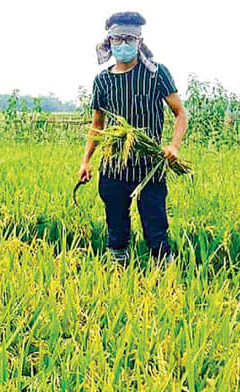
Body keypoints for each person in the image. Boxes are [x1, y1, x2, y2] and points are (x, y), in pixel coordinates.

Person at [78, 12, 188, 264]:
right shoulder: (102, 81)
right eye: (118, 39)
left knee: (157, 232)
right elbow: (97, 125)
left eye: (129, 39)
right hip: (113, 166)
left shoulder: (156, 74)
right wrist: (85, 161)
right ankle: (118, 276)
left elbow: (180, 113)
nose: (123, 44)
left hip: (149, 167)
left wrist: (173, 146)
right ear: (109, 42)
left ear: (140, 42)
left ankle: (166, 279)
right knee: (116, 233)